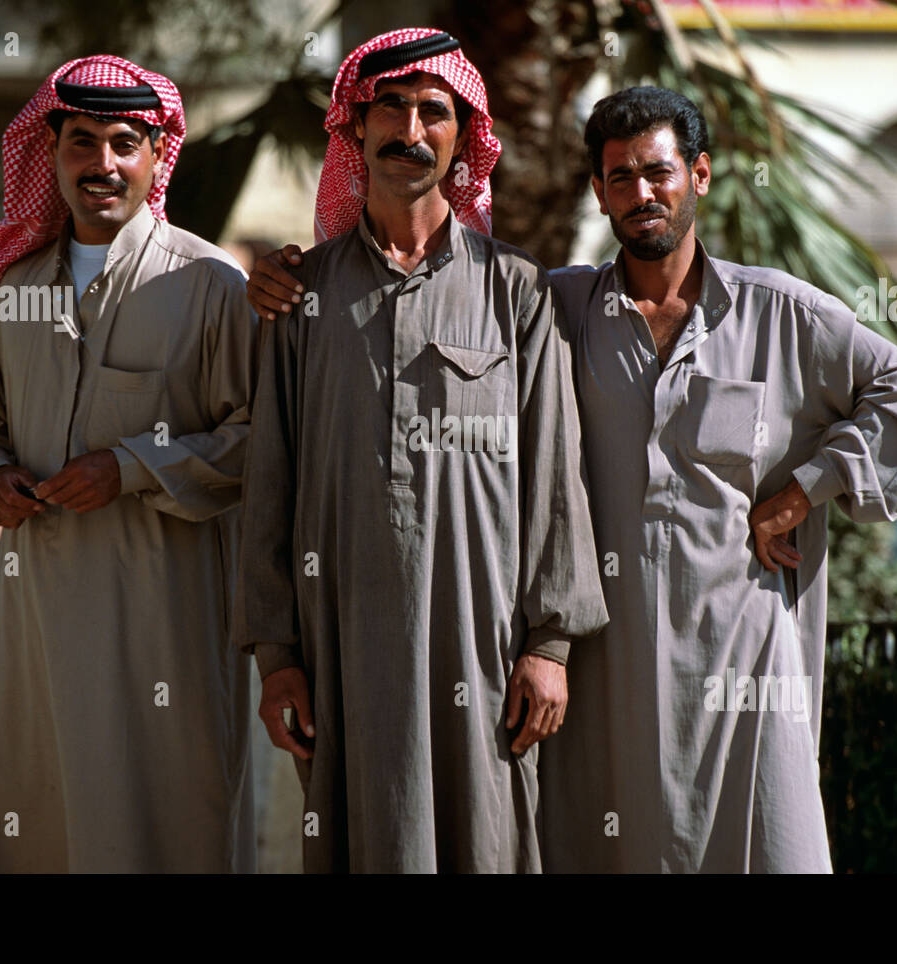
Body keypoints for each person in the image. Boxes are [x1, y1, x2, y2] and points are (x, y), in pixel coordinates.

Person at [246, 86, 897, 873]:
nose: (641, 194)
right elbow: (439, 303)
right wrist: (284, 278)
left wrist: (808, 487)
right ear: (598, 192)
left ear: (702, 176)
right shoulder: (557, 307)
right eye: (620, 178)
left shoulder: (781, 316)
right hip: (600, 680)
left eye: (658, 173)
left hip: (744, 676)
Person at [237, 28, 607, 873]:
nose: (411, 128)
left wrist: (549, 647)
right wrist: (276, 657)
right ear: (356, 132)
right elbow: (272, 480)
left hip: (481, 645)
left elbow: (554, 472)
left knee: (484, 839)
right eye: (391, 109)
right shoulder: (303, 296)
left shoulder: (514, 289)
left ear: (462, 136)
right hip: (341, 648)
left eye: (433, 111)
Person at [0, 55, 259, 872]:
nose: (103, 164)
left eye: (125, 143)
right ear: (50, 154)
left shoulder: (210, 284)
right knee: (38, 813)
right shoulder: (12, 289)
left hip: (166, 621)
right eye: (82, 142)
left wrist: (132, 467)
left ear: (158, 156)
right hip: (38, 619)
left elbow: (261, 439)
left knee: (164, 818)